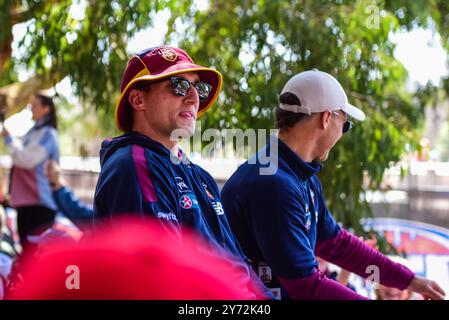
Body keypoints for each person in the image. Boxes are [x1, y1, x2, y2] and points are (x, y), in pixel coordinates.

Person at [221, 69, 446, 300]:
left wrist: (410, 280)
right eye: (345, 125)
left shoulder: (298, 175)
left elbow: (336, 244)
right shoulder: (273, 183)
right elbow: (307, 287)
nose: (342, 134)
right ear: (327, 118)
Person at [93, 46, 272, 299]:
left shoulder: (199, 176)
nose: (193, 98)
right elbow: (163, 280)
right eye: (178, 85)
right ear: (138, 100)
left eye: (198, 88)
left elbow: (238, 265)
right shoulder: (134, 165)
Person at [1, 93, 59, 253]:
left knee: (34, 257)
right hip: (26, 203)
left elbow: (26, 160)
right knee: (27, 255)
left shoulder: (48, 134)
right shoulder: (33, 132)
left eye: (34, 105)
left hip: (40, 205)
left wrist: (8, 139)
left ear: (46, 109)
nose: (30, 108)